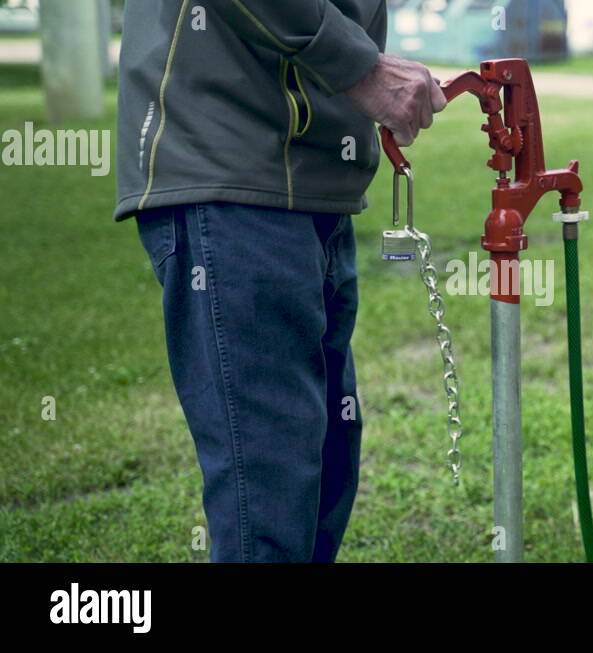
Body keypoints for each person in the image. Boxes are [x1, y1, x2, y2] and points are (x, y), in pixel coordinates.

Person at [114, 1, 447, 562]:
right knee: (269, 487)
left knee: (323, 463)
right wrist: (362, 69)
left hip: (313, 183)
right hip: (232, 170)